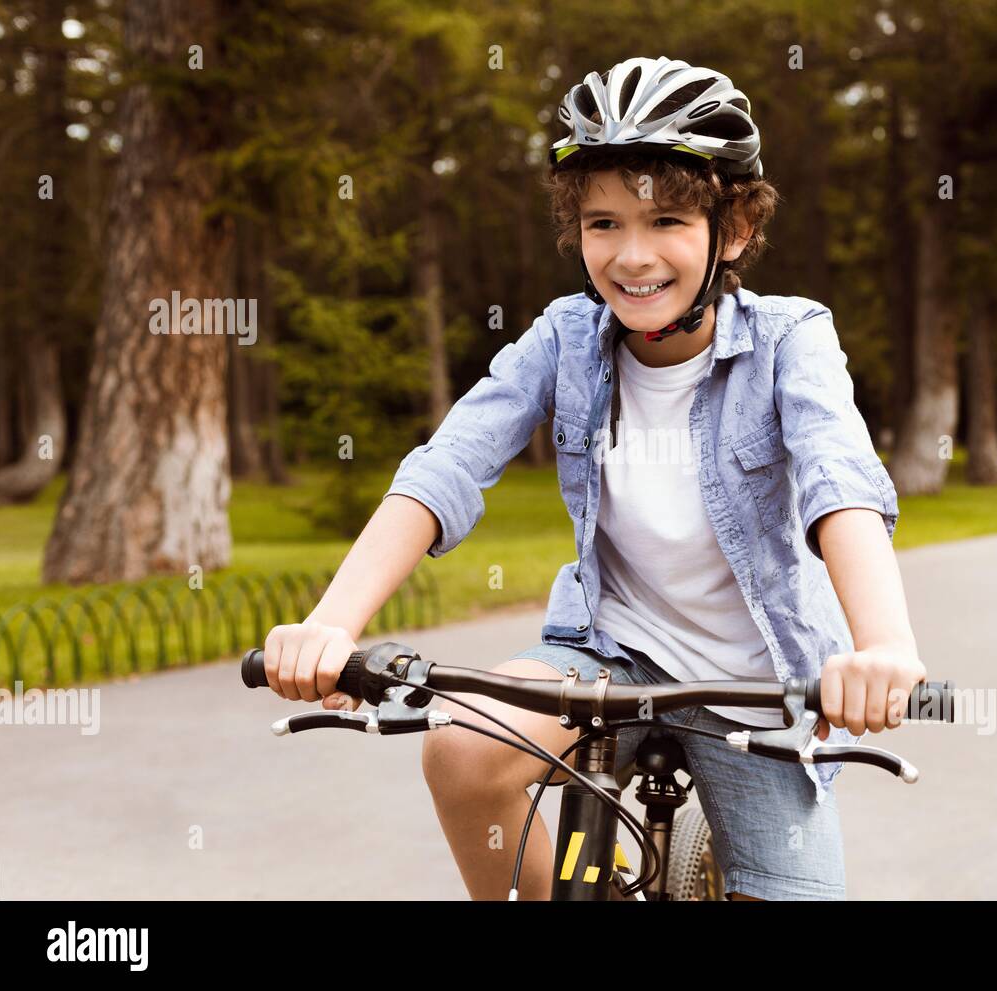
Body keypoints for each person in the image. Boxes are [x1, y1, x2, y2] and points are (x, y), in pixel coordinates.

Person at [262, 55, 925, 901]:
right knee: (460, 748)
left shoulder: (791, 340)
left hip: (756, 687)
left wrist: (884, 646)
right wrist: (330, 623)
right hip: (605, 657)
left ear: (735, 230)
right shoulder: (567, 336)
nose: (632, 256)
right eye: (603, 222)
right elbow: (447, 464)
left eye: (668, 221)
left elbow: (842, 485)